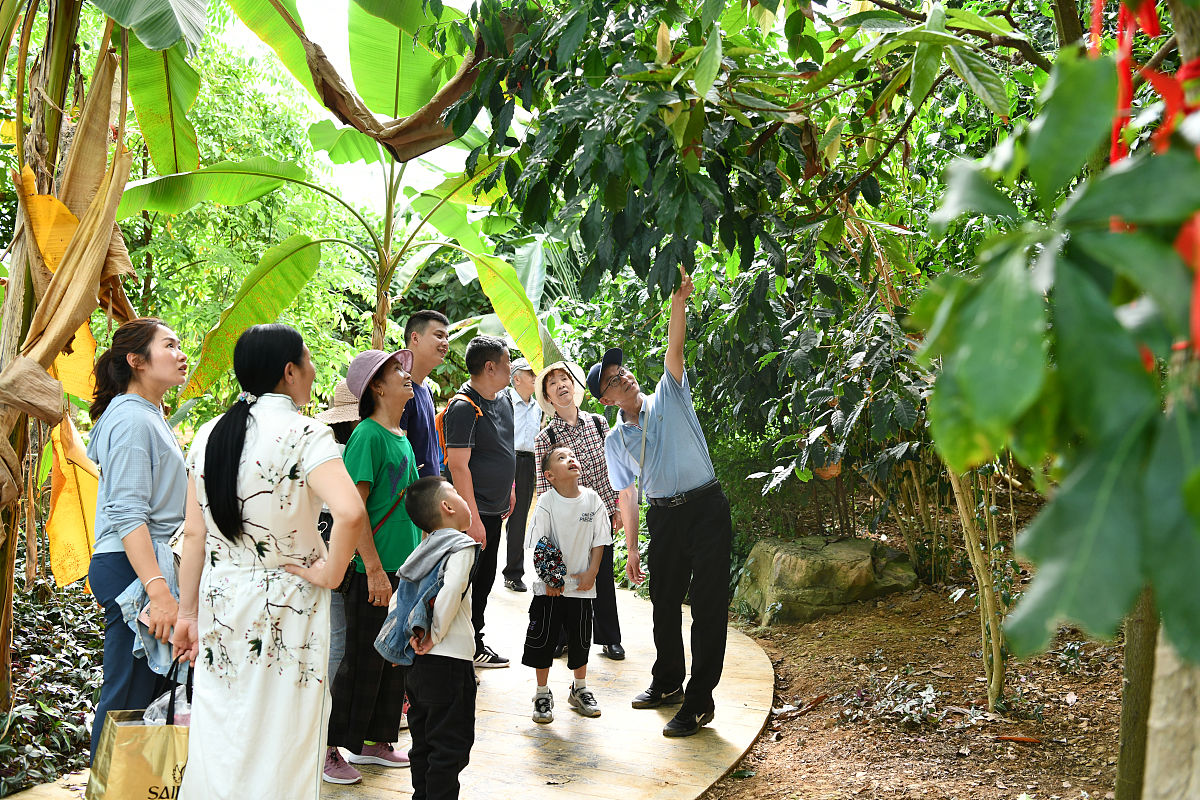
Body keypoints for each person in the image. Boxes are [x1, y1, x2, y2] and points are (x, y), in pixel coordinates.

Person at [170, 324, 366, 799]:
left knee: (223, 724)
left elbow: (194, 533)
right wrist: (331, 573)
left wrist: (187, 613)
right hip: (288, 599)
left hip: (221, 597)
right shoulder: (306, 433)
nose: (314, 370)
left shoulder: (210, 433)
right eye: (308, 360)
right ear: (289, 371)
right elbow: (351, 511)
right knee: (284, 729)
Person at [589, 271, 733, 738]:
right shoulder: (616, 439)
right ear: (607, 399)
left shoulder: (669, 394)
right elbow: (627, 494)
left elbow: (675, 348)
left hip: (706, 508)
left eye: (623, 371)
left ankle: (699, 700)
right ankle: (668, 681)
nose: (624, 377)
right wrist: (631, 548)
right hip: (664, 517)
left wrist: (679, 301)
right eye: (614, 380)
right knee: (664, 603)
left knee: (708, 606)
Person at [86, 317, 188, 761]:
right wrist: (158, 591)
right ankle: (109, 788)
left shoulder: (147, 414)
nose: (181, 354)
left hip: (144, 565)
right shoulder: (131, 419)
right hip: (134, 567)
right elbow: (128, 513)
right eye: (170, 345)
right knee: (127, 697)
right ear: (136, 361)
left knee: (146, 698)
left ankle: (131, 787)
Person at [325, 348, 423, 783]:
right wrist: (375, 569)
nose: (406, 374)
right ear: (377, 388)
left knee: (391, 660)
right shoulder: (367, 435)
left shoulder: (400, 434)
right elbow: (354, 510)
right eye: (395, 370)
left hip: (402, 570)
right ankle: (329, 749)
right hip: (372, 572)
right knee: (359, 662)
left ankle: (374, 742)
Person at [533, 360, 632, 660]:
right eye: (552, 383)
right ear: (548, 397)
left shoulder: (599, 423)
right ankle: (562, 637)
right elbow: (543, 488)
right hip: (567, 520)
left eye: (564, 379)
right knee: (565, 577)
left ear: (573, 386)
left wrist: (617, 508)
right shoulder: (545, 439)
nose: (560, 386)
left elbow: (613, 470)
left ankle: (609, 638)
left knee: (602, 577)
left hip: (601, 513)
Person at [398, 476, 481, 800]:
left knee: (423, 742)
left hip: (418, 665)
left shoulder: (422, 549)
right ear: (447, 507)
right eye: (457, 493)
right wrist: (434, 633)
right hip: (450, 661)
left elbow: (400, 597)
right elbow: (453, 588)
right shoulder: (461, 545)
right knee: (450, 746)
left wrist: (410, 636)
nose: (463, 498)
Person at [522, 447, 611, 724]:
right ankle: (541, 693)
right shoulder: (546, 502)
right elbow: (538, 542)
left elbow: (600, 539)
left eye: (572, 455)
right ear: (550, 475)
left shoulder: (592, 499)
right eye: (561, 458)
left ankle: (579, 689)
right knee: (543, 641)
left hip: (582, 588)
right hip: (550, 590)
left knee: (581, 641)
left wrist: (592, 572)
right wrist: (549, 579)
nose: (570, 459)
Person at [442, 335, 515, 668]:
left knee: (484, 581)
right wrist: (471, 519)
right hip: (474, 513)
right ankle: (458, 648)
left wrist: (510, 486)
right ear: (490, 367)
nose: (511, 368)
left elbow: (504, 449)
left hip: (495, 510)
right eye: (507, 362)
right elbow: (458, 466)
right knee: (464, 583)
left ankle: (474, 642)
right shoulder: (463, 407)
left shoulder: (504, 400)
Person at [313, 381, 360, 705]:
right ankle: (335, 711)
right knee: (341, 636)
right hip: (344, 550)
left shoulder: (325, 451)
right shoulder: (349, 455)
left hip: (322, 546)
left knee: (335, 633)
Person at [503, 357, 541, 593]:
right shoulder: (504, 401)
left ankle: (513, 574)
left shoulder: (538, 406)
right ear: (516, 379)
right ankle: (475, 568)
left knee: (519, 520)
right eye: (530, 374)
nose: (536, 377)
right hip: (505, 458)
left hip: (528, 463)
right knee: (491, 514)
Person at [400, 310, 450, 478]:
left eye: (447, 338)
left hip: (430, 488)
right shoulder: (400, 389)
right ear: (415, 338)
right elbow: (398, 455)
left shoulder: (427, 388)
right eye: (439, 335)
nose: (445, 343)